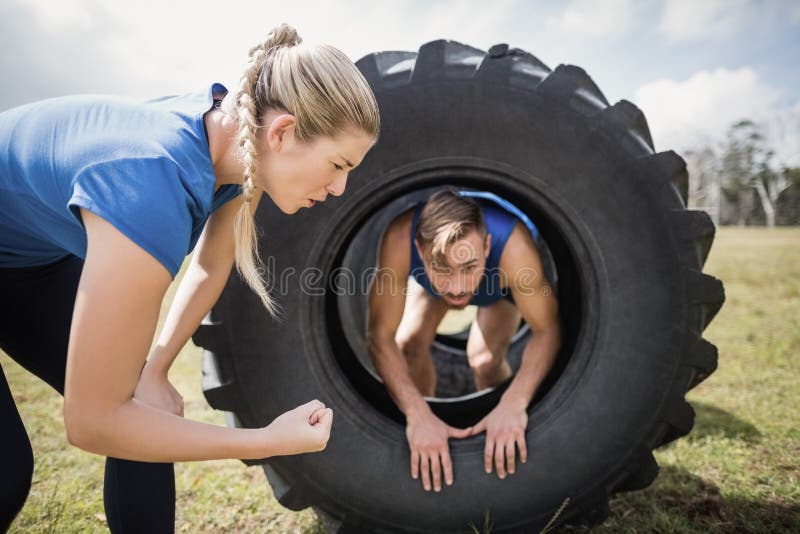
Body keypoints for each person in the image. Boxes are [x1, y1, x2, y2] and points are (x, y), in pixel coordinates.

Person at [0, 23, 378, 532]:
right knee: (7, 471)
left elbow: (210, 263)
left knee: (144, 415)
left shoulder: (234, 140)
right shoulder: (150, 184)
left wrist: (155, 369)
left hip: (25, 261)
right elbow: (91, 423)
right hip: (22, 257)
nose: (339, 188)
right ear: (283, 132)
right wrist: (268, 439)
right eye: (338, 164)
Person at [366, 188, 562, 493]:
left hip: (499, 281)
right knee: (408, 345)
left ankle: (501, 431)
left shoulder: (514, 247)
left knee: (483, 360)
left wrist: (515, 402)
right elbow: (380, 335)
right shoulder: (400, 238)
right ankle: (426, 430)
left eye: (468, 268)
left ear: (485, 246)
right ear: (419, 249)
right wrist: (417, 414)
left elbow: (547, 329)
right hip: (435, 284)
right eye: (443, 268)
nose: (457, 288)